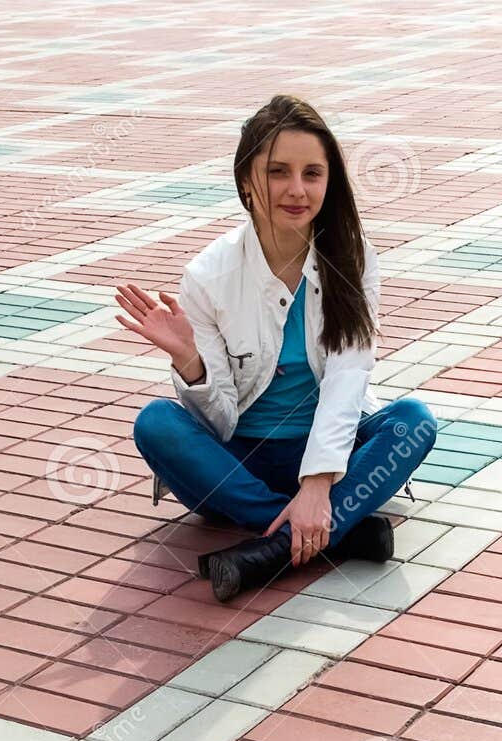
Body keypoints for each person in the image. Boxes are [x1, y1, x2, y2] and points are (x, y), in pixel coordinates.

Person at [115, 95, 437, 602]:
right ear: (246, 179)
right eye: (278, 172)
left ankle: (269, 550)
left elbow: (348, 377)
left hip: (332, 458)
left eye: (312, 173)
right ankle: (339, 530)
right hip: (238, 467)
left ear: (330, 182)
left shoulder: (352, 258)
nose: (297, 189)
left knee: (414, 421)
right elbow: (220, 419)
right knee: (156, 423)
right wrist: (191, 363)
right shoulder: (209, 276)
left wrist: (317, 483)